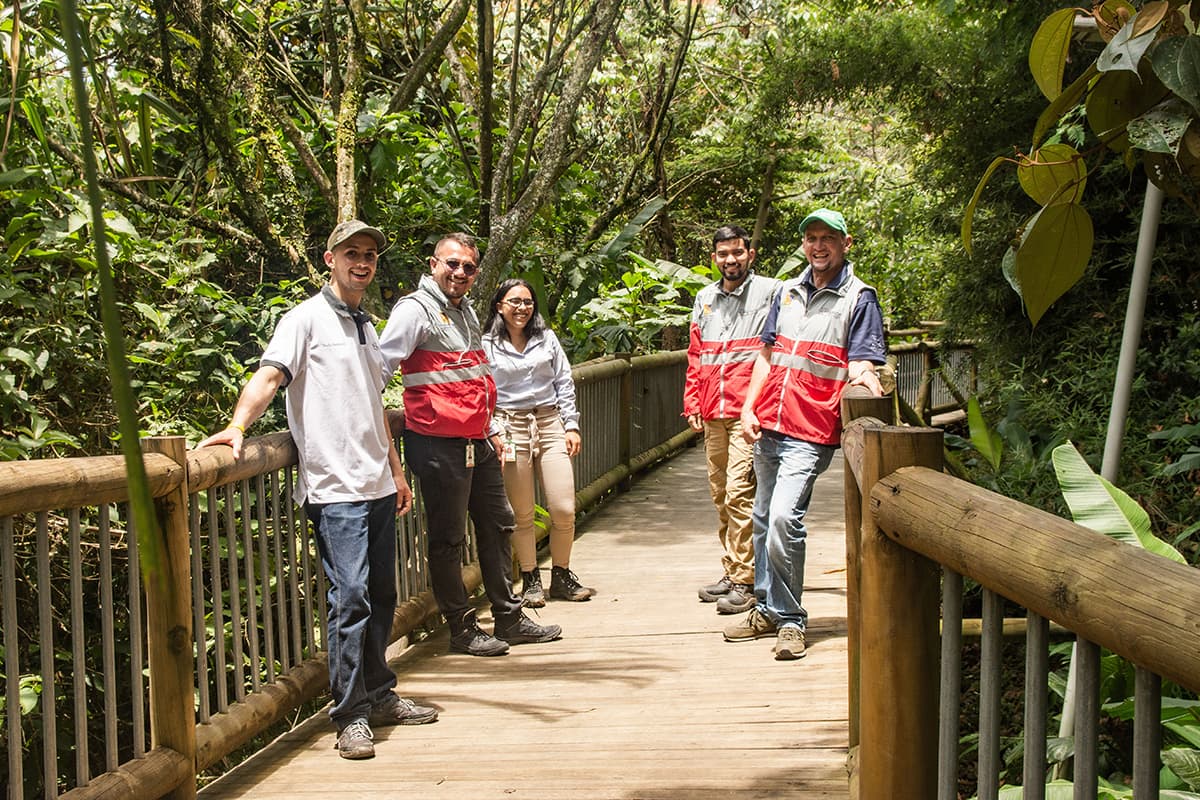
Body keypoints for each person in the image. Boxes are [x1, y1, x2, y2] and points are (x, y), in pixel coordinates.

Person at [198, 220, 438, 761]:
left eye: (370, 255)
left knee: (380, 596)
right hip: (335, 489)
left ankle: (379, 695)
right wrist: (238, 426)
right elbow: (269, 376)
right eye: (351, 253)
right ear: (329, 259)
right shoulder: (303, 319)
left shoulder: (366, 326)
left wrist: (396, 472)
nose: (362, 262)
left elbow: (374, 407)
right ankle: (350, 714)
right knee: (348, 598)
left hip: (376, 482)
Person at [379, 233, 562, 657]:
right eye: (452, 264)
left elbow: (474, 378)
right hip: (436, 442)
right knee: (447, 539)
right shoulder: (415, 311)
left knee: (500, 523)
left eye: (468, 267)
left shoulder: (464, 312)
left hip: (476, 439)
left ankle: (508, 616)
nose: (460, 272)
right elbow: (379, 369)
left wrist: (490, 428)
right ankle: (461, 627)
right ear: (433, 264)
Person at [725, 209, 886, 661]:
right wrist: (748, 407)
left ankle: (791, 620)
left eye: (827, 238)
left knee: (782, 520)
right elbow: (767, 355)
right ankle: (768, 608)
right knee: (761, 519)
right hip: (769, 423)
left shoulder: (860, 297)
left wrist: (865, 379)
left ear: (845, 243)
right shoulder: (788, 293)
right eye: (811, 238)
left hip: (812, 428)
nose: (818, 246)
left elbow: (863, 359)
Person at [684, 225, 781, 615]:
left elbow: (777, 347)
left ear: (750, 254)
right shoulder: (705, 298)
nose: (730, 260)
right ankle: (733, 567)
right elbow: (696, 353)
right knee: (720, 493)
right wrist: (692, 401)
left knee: (740, 491)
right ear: (714, 258)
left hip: (748, 410)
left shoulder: (771, 292)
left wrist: (763, 404)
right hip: (712, 410)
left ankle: (747, 580)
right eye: (723, 254)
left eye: (737, 253)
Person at [482, 278, 594, 607]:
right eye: (514, 301)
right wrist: (493, 430)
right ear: (499, 306)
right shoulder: (486, 344)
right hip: (509, 425)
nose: (522, 308)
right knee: (522, 512)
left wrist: (571, 425)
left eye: (528, 302)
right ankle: (530, 577)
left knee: (563, 507)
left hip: (549, 421)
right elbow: (482, 391)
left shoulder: (546, 338)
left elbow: (564, 381)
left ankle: (561, 574)